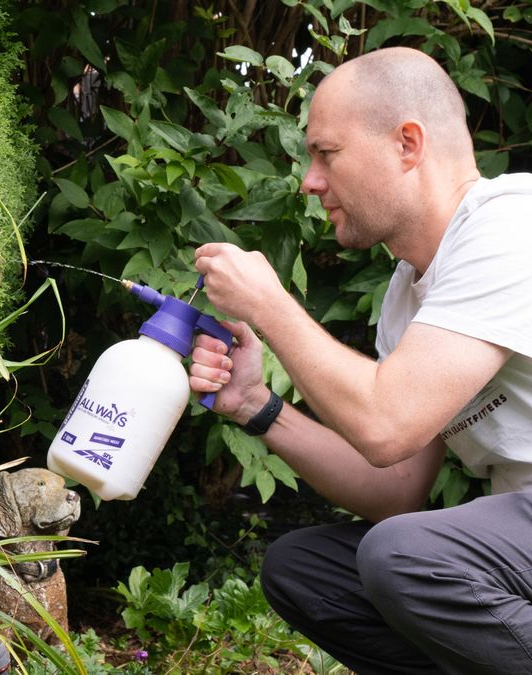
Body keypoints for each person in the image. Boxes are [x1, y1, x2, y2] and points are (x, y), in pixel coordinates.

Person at [188, 46, 532, 674]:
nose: (310, 180)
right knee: (306, 571)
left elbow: (385, 423)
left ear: (407, 144)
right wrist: (257, 406)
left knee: (403, 557)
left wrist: (269, 304)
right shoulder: (407, 297)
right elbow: (394, 487)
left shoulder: (511, 226)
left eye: (327, 153)